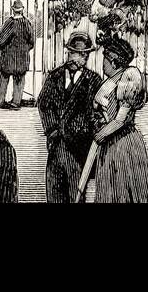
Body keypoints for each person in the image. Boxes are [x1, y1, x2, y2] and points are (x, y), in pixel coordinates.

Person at [85, 34, 148, 203]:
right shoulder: (108, 81)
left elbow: (121, 119)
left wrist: (100, 134)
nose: (103, 64)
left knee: (125, 188)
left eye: (105, 59)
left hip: (124, 143)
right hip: (108, 143)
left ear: (114, 61)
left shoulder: (128, 78)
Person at [37, 31, 102, 203]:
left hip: (79, 147)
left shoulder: (93, 81)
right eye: (73, 53)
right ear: (68, 52)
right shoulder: (54, 77)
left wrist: (87, 130)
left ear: (86, 57)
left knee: (76, 192)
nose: (76, 59)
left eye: (82, 55)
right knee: (54, 190)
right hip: (56, 144)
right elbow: (43, 104)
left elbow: (96, 112)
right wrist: (52, 131)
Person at [0, 1, 35, 110]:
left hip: (9, 58)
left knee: (3, 77)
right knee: (19, 79)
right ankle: (16, 102)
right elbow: (32, 42)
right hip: (22, 58)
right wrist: (24, 50)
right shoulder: (27, 23)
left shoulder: (9, 23)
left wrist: (4, 48)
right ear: (22, 9)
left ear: (13, 9)